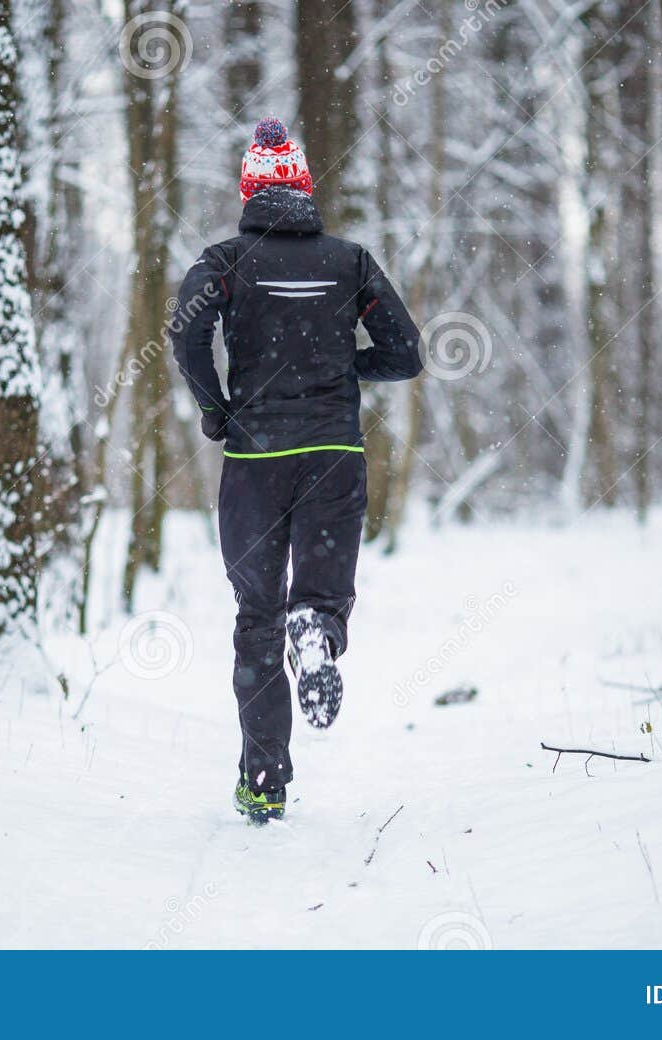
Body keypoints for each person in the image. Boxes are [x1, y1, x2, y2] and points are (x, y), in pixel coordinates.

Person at [170, 117, 424, 825]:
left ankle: (264, 780)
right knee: (316, 600)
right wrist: (342, 364)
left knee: (257, 617)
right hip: (332, 456)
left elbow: (185, 332)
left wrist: (215, 408)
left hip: (255, 461)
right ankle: (315, 632)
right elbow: (406, 353)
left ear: (249, 191)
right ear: (306, 189)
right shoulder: (349, 261)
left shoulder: (224, 262)